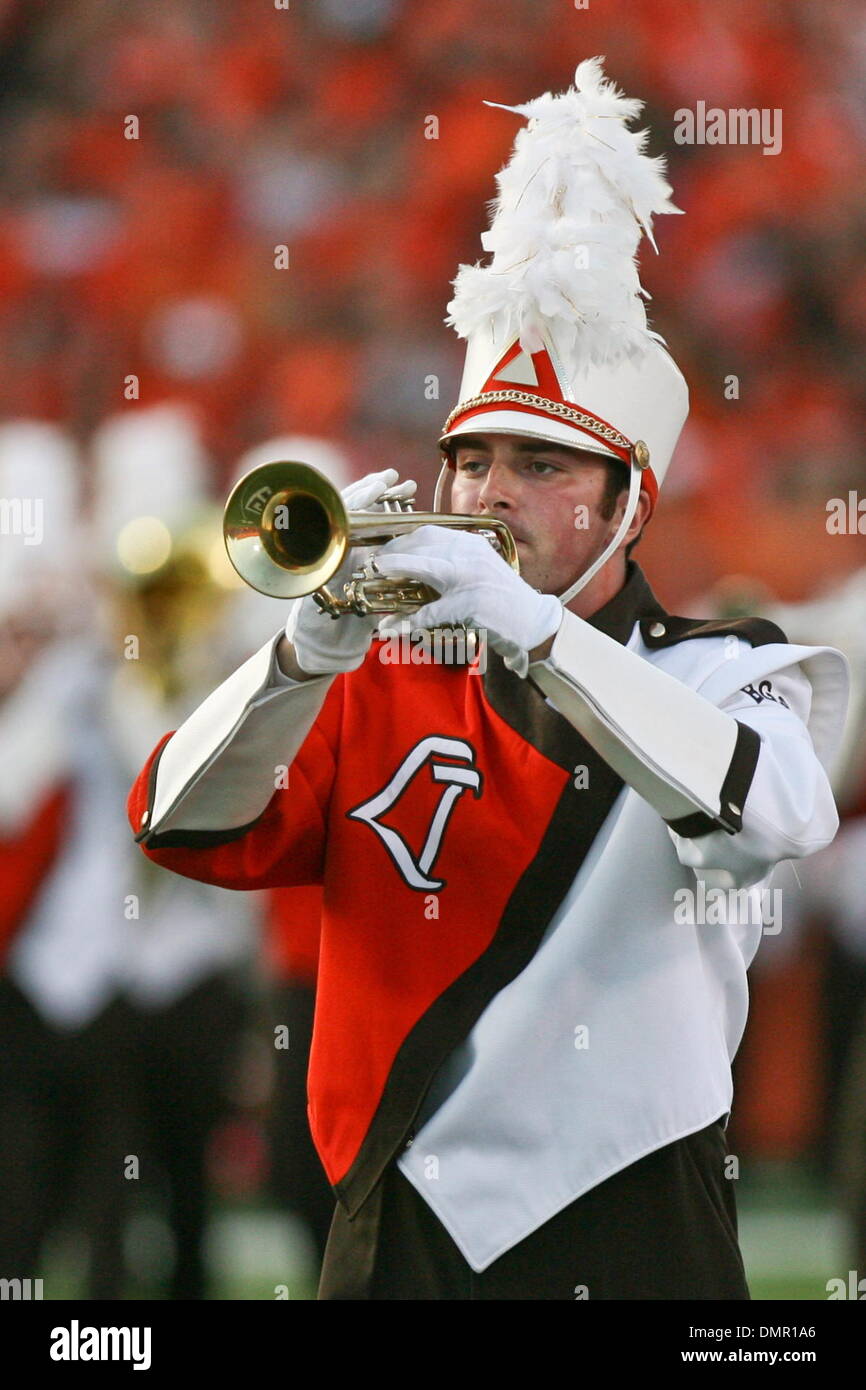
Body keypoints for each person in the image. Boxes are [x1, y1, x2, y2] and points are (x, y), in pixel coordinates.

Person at [127, 60, 848, 1299]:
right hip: (395, 1219)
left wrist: (538, 632)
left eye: (541, 464)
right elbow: (179, 821)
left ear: (629, 504)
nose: (486, 493)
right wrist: (304, 655)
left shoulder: (726, 672)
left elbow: (773, 813)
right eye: (468, 460)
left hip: (627, 1218)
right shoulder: (376, 674)